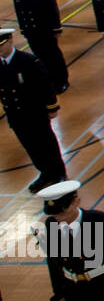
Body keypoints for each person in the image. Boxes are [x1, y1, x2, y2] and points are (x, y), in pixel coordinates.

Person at [0, 27, 66, 192]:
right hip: (16, 116)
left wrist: (52, 107)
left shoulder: (28, 61)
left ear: (10, 41)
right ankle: (45, 173)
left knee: (47, 144)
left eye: (1, 45)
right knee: (31, 147)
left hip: (34, 114)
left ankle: (58, 173)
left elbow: (46, 85)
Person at [11, 0, 67, 93]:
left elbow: (52, 11)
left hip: (45, 31)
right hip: (31, 32)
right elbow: (19, 12)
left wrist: (56, 29)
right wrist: (23, 29)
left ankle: (61, 80)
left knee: (53, 56)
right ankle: (49, 79)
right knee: (40, 56)